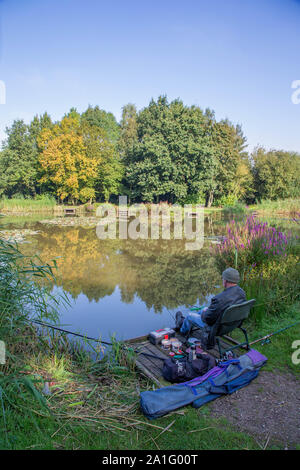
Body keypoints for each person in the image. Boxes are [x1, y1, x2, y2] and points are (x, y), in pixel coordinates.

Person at [175, 267, 246, 337]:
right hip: (231, 324)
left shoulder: (219, 298)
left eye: (223, 278)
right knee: (203, 309)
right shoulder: (242, 293)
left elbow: (208, 319)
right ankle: (183, 322)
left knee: (189, 316)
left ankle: (182, 332)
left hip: (216, 328)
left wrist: (204, 313)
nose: (222, 280)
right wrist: (206, 311)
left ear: (226, 281)